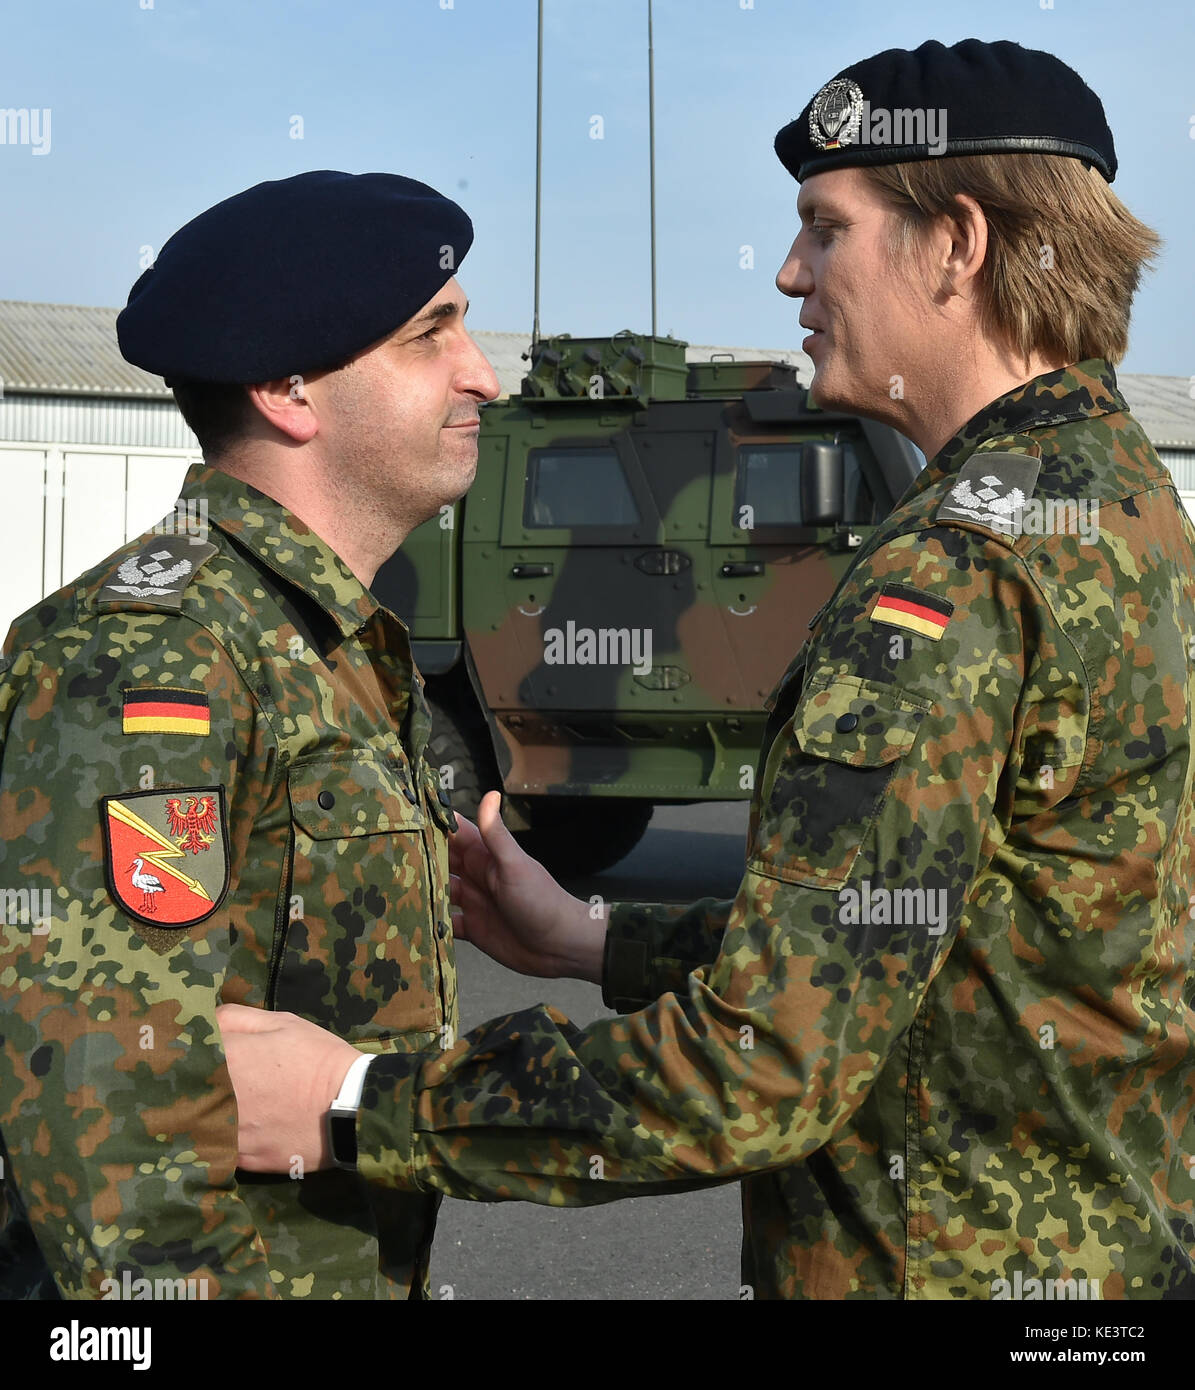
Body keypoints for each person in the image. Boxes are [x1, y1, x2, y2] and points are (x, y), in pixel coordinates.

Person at [224, 37, 1191, 1300]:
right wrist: (591, 940)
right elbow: (926, 939)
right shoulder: (1117, 500)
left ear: (957, 245)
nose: (791, 273)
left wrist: (353, 1100)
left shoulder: (955, 575)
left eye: (825, 229)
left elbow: (762, 1069)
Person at [0, 170, 499, 1299]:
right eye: (434, 334)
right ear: (288, 391)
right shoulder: (149, 656)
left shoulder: (326, 638)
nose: (484, 374)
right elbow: (107, 1112)